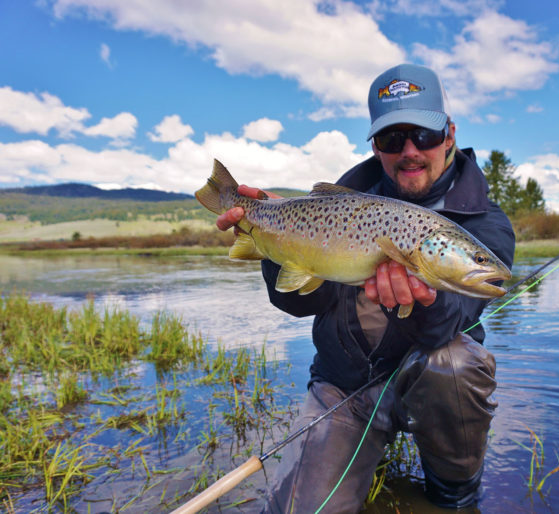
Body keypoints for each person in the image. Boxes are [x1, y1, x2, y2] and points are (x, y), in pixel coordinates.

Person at [216, 63, 516, 512]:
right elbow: (298, 302)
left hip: (433, 384)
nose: (410, 151)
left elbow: (451, 323)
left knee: (453, 362)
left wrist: (427, 301)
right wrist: (272, 237)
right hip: (344, 385)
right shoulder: (341, 202)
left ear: (449, 135)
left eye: (424, 136)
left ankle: (454, 494)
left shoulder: (485, 224)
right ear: (376, 146)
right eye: (393, 140)